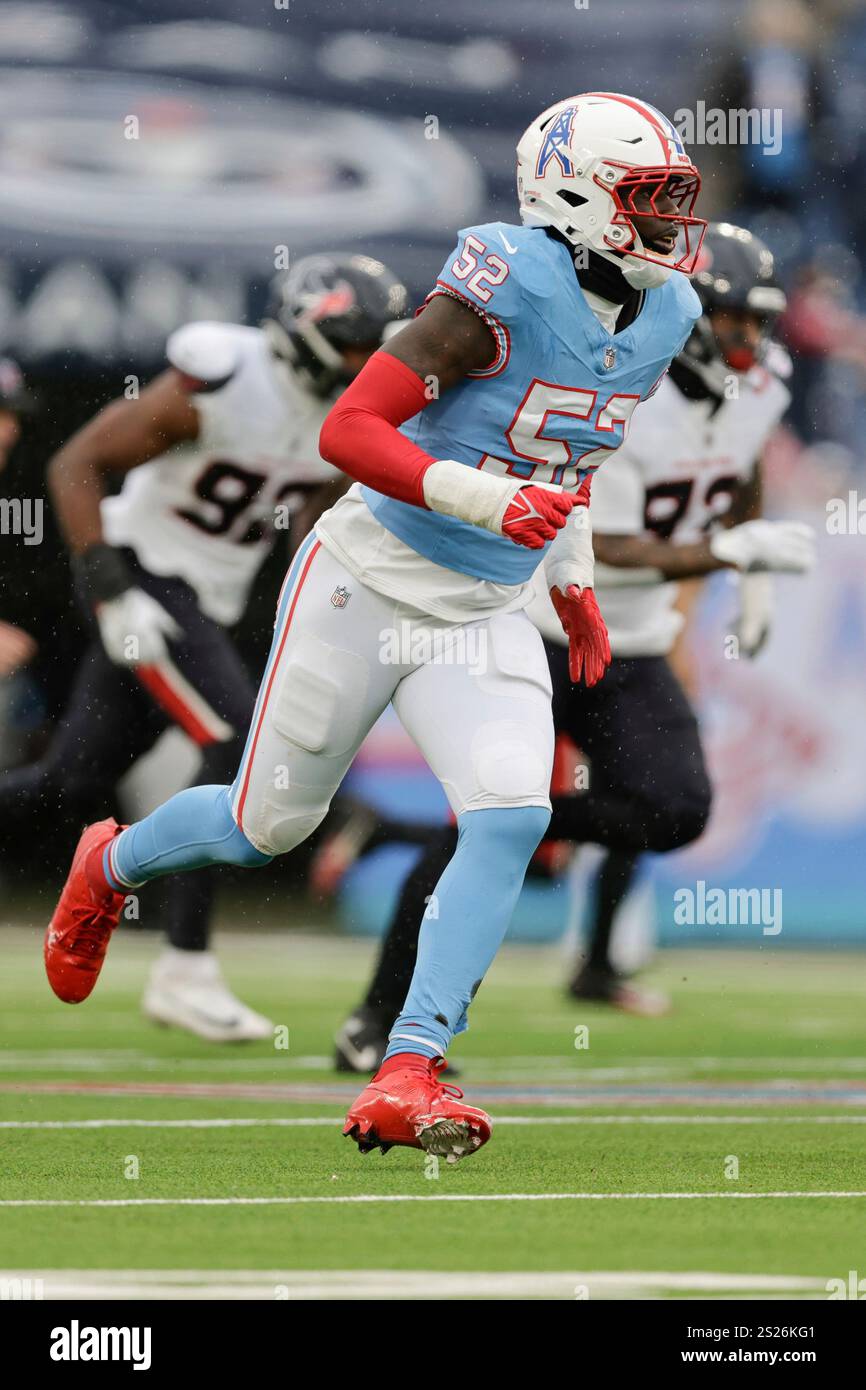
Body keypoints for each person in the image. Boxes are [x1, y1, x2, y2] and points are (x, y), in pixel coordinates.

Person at [45, 92, 709, 1161]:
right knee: (266, 826)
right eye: (649, 199)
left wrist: (573, 581)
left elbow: (570, 460)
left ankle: (407, 1067)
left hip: (487, 605)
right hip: (369, 574)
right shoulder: (502, 283)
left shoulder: (665, 313)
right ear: (576, 197)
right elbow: (351, 427)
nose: (673, 222)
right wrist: (488, 503)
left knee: (507, 814)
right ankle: (109, 866)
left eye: (678, 196)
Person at [332, 222, 815, 1068]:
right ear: (694, 315)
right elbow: (609, 541)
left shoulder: (762, 388)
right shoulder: (628, 391)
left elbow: (737, 475)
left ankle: (518, 843)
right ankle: (377, 1018)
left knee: (674, 807)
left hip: (625, 645)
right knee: (489, 824)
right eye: (734, 320)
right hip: (534, 623)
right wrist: (725, 554)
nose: (748, 342)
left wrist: (753, 573)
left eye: (759, 324)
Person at [8, 254, 406, 1040]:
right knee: (240, 742)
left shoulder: (349, 413)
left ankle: (181, 965)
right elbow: (76, 463)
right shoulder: (229, 376)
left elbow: (316, 524)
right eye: (354, 345)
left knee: (68, 779)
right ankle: (184, 967)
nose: (366, 364)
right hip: (147, 577)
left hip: (203, 599)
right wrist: (112, 589)